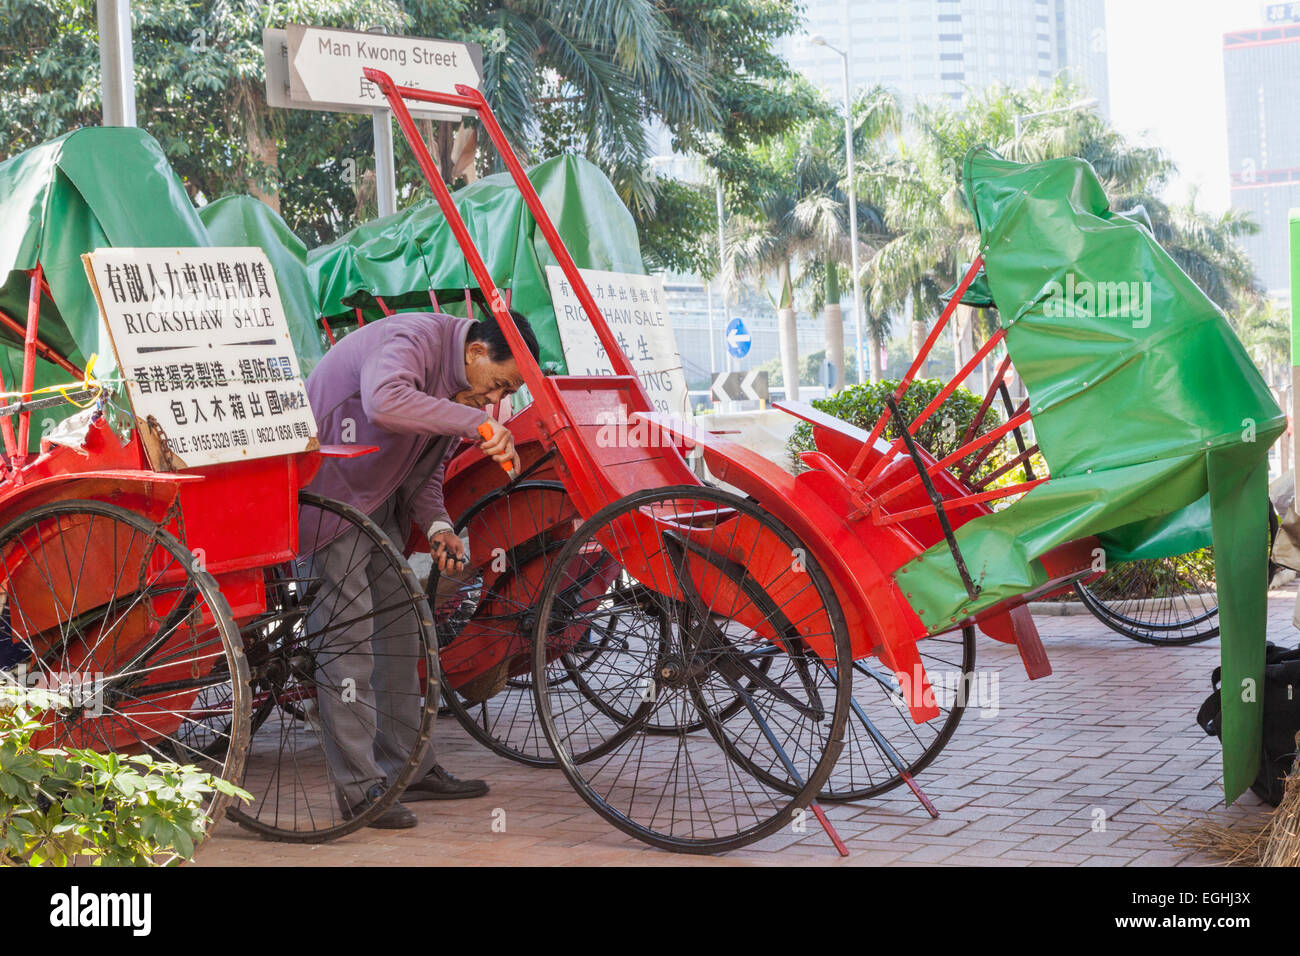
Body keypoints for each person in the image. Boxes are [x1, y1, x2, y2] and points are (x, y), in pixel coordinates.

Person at [301, 307, 539, 829]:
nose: (497, 402)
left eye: (505, 396)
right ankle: (361, 788)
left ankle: (409, 767)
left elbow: (424, 480)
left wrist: (438, 528)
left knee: (402, 630)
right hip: (328, 494)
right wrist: (477, 422)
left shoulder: (463, 392)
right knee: (349, 642)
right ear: (476, 352)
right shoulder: (412, 336)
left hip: (376, 501)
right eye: (498, 386)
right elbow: (385, 402)